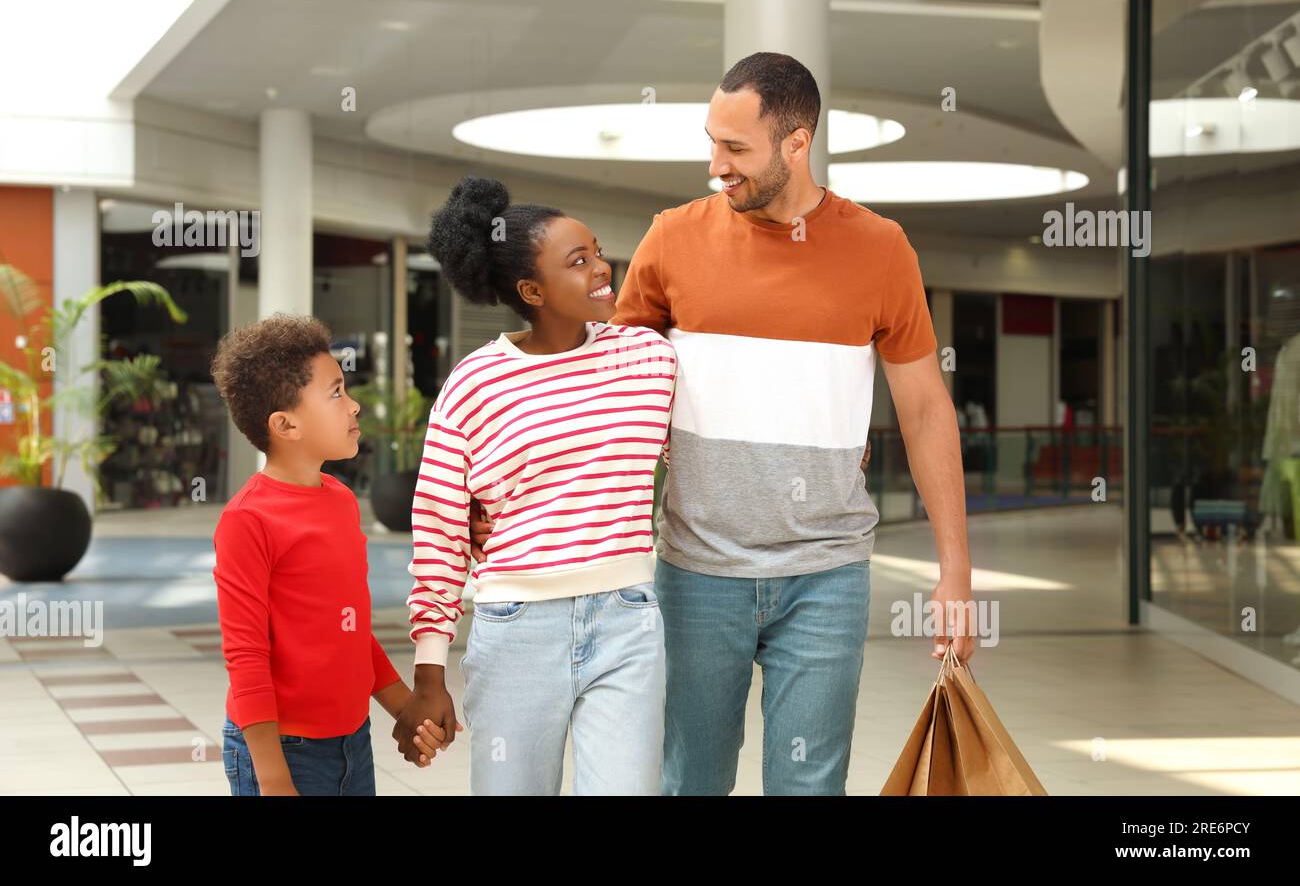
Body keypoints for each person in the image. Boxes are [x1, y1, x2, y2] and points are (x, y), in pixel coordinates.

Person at [474, 52, 976, 796]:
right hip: (697, 572)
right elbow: (595, 381)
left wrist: (955, 572)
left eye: (735, 148)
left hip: (827, 573)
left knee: (810, 784)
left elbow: (927, 408)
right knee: (690, 781)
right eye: (712, 142)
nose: (716, 165)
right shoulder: (673, 240)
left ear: (797, 145)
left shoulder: (880, 249)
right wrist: (504, 501)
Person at [392, 177, 677, 795]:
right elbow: (439, 529)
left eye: (598, 251)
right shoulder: (475, 383)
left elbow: (701, 445)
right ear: (532, 290)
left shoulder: (649, 358)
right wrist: (429, 674)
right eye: (579, 262)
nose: (603, 268)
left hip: (628, 618)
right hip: (516, 624)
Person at [211, 314, 440, 796]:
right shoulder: (247, 520)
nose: (354, 404)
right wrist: (273, 779)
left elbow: (350, 629)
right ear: (285, 424)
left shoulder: (339, 501)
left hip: (352, 744)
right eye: (336, 392)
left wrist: (405, 708)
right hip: (282, 752)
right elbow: (246, 657)